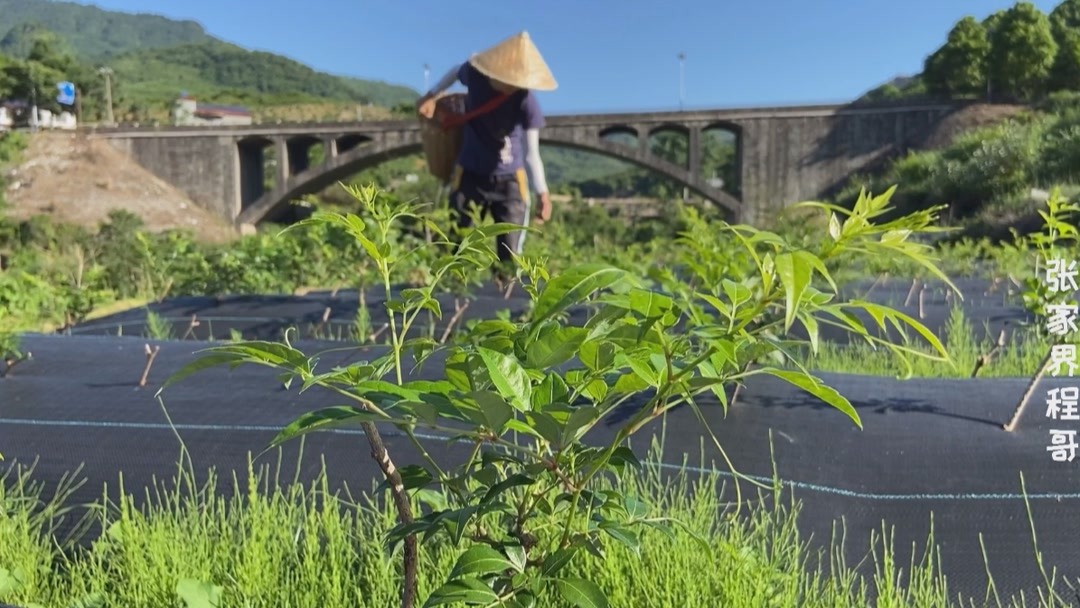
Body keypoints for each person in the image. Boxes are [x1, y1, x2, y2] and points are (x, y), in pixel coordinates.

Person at [417, 31, 556, 278]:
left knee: (509, 253)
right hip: (470, 173)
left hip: (510, 180)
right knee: (456, 243)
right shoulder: (475, 76)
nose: (512, 86)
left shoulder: (526, 102)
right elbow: (455, 72)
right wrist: (433, 94)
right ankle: (452, 287)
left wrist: (542, 193)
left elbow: (531, 154)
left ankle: (505, 291)